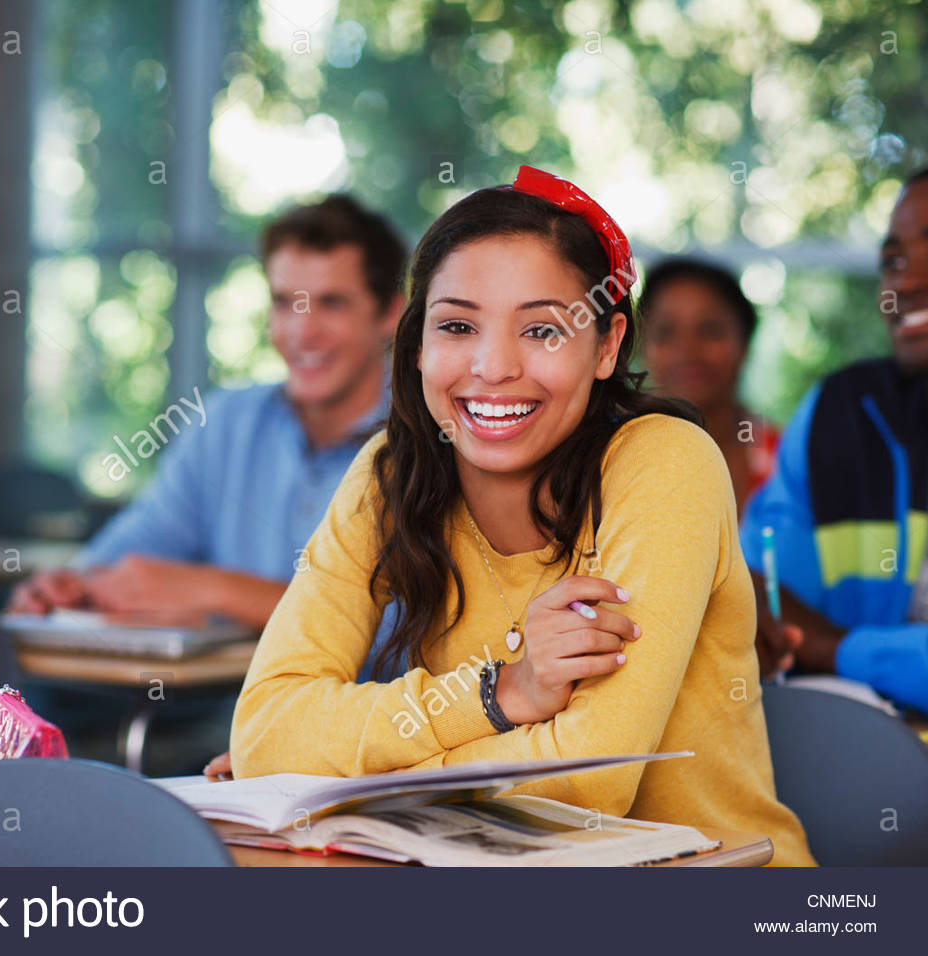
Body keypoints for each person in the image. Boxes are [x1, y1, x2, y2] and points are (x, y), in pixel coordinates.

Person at [227, 167, 814, 865]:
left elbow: (590, 783)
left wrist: (343, 780)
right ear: (418, 346)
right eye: (457, 325)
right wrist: (503, 692)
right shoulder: (390, 472)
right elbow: (263, 732)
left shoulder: (665, 462)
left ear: (606, 345)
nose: (494, 366)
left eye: (541, 329)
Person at [8, 195, 405, 629]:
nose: (302, 331)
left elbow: (408, 630)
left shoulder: (429, 442)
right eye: (284, 302)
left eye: (331, 303)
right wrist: (76, 586)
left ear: (391, 313)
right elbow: (138, 545)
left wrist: (216, 590)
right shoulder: (225, 423)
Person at [741, 165, 928, 709]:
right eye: (893, 262)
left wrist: (838, 649)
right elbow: (755, 592)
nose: (906, 284)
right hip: (860, 745)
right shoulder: (842, 414)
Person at [639, 257, 778, 514]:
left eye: (710, 330)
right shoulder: (612, 460)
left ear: (744, 342)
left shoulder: (789, 461)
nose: (688, 350)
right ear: (642, 347)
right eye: (666, 332)